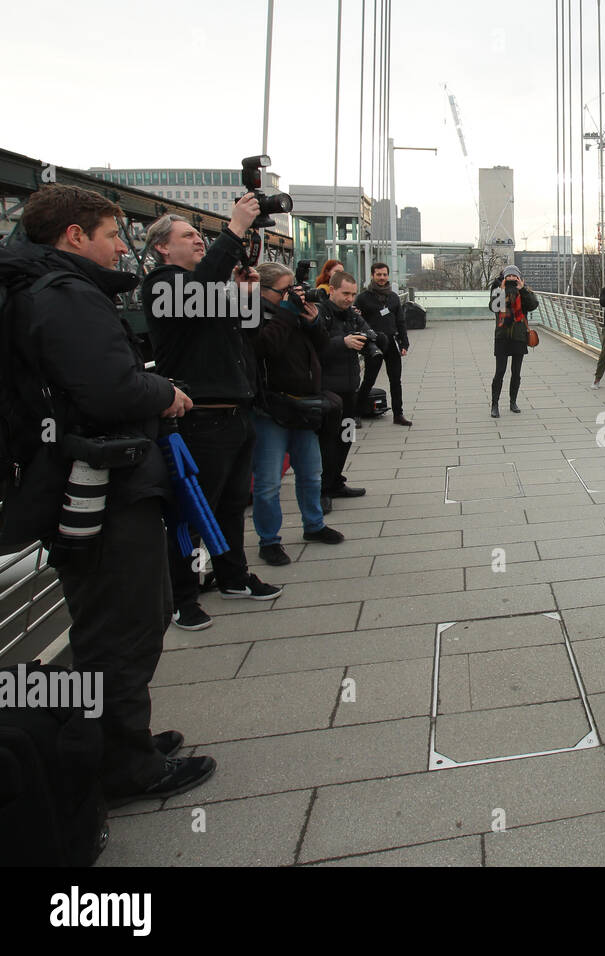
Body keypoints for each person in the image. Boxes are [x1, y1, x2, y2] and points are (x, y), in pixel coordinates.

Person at [0, 184, 215, 804]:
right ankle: (124, 766)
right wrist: (162, 393)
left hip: (71, 481)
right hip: (101, 486)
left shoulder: (38, 290)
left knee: (110, 621)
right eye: (112, 235)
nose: (123, 248)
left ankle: (123, 739)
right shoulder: (65, 296)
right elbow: (108, 390)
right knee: (126, 623)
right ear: (74, 236)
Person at [142, 196, 283, 633]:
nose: (198, 241)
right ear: (163, 248)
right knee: (188, 515)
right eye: (188, 235)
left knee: (229, 505)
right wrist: (236, 227)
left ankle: (232, 576)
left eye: (201, 236)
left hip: (236, 414)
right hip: (199, 419)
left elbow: (252, 328)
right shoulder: (163, 286)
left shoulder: (207, 289)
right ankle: (183, 599)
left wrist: (246, 294)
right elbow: (197, 290)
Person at [251, 263, 346, 565]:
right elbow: (266, 348)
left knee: (310, 473)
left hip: (304, 403)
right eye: (286, 290)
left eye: (295, 288)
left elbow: (320, 349)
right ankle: (269, 540)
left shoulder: (292, 314)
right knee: (267, 482)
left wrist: (314, 322)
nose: (294, 295)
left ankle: (314, 525)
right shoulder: (252, 315)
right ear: (264, 291)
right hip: (270, 408)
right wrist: (288, 313)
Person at [315, 270, 369, 501]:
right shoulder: (319, 313)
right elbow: (314, 347)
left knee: (346, 436)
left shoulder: (352, 315)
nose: (349, 299)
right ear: (332, 289)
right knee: (327, 441)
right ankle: (323, 488)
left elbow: (367, 333)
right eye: (345, 293)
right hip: (328, 390)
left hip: (349, 388)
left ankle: (336, 481)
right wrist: (343, 342)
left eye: (353, 294)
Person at [355, 262, 412, 426]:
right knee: (369, 380)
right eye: (378, 274)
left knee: (396, 380)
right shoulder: (363, 298)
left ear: (388, 276)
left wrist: (404, 343)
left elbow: (400, 321)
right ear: (372, 275)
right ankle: (356, 413)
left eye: (384, 275)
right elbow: (356, 320)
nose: (381, 278)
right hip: (375, 344)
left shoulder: (393, 297)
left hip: (392, 343)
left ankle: (398, 414)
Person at [488, 265, 537, 417]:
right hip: (502, 336)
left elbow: (533, 305)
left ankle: (513, 402)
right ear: (504, 277)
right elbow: (494, 308)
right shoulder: (497, 290)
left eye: (514, 276)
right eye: (508, 276)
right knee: (500, 372)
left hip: (519, 337)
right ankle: (495, 405)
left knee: (516, 372)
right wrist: (502, 292)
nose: (511, 279)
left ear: (518, 278)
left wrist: (522, 289)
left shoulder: (525, 290)